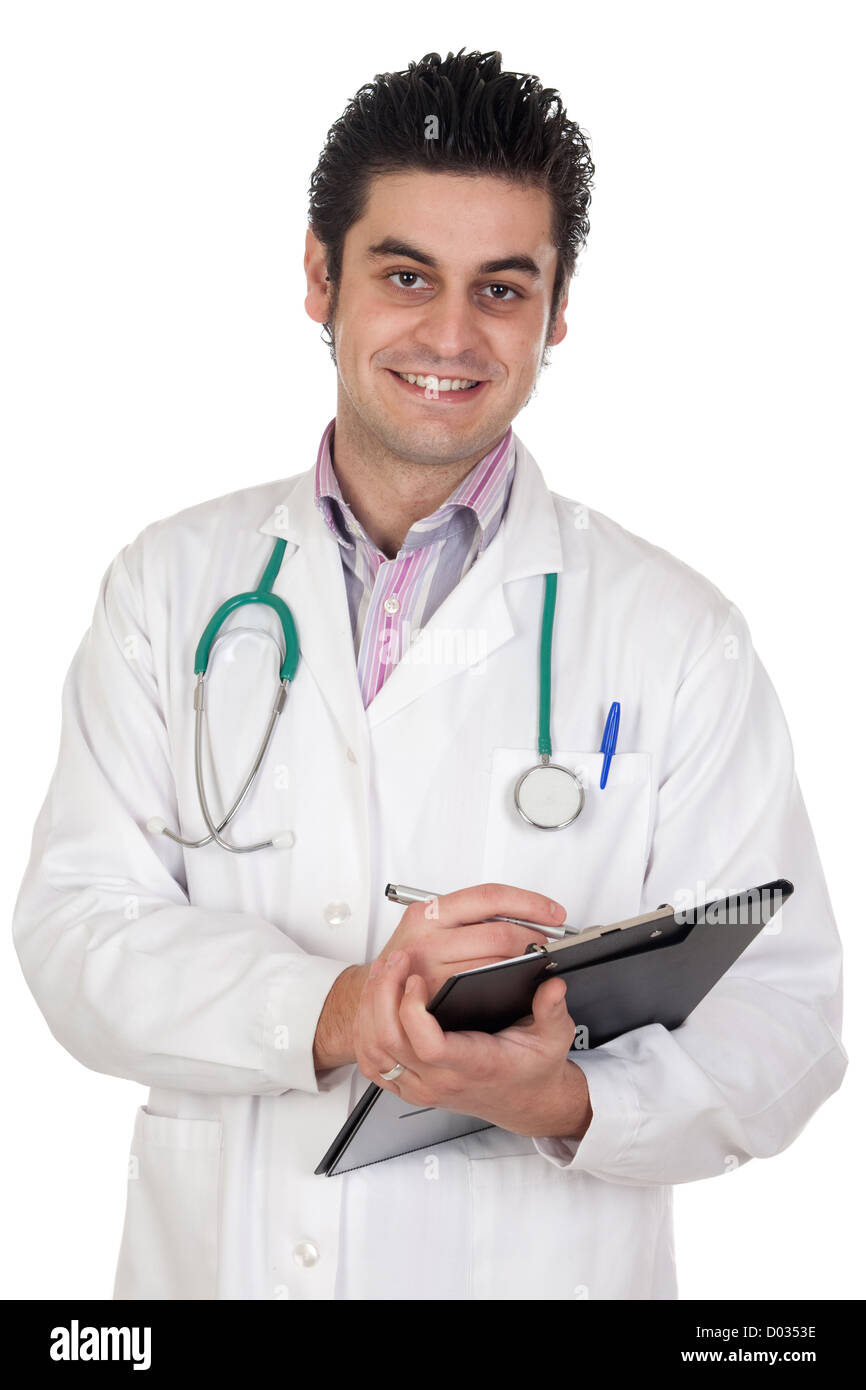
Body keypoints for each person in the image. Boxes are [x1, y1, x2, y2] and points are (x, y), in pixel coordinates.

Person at [13, 48, 846, 1301]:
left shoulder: (676, 633)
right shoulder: (169, 590)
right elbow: (76, 935)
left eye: (501, 289)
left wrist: (563, 1097)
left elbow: (785, 1017)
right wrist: (340, 1007)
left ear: (557, 310)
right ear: (317, 277)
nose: (450, 336)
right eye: (406, 275)